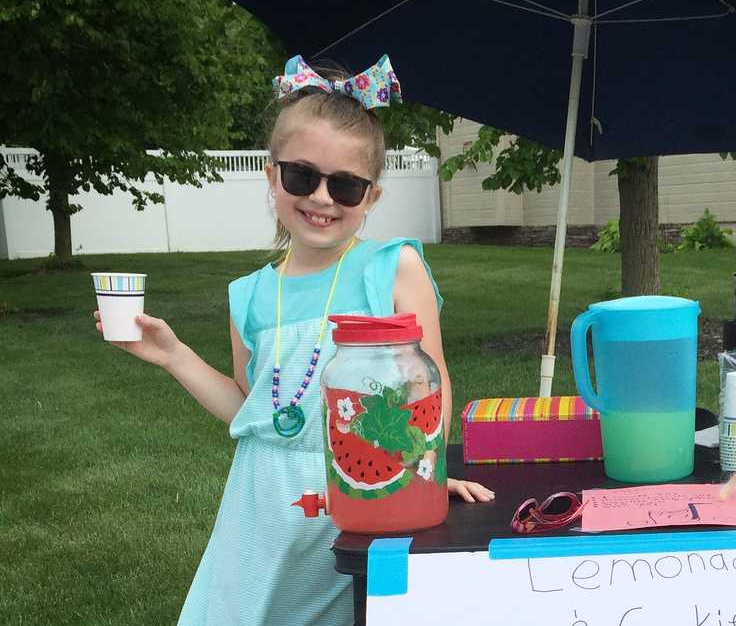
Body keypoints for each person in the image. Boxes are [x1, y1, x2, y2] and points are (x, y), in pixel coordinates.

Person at [95, 55, 494, 625]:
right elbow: (250, 406)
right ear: (271, 173)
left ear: (372, 198)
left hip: (365, 497)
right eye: (302, 176)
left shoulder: (393, 267)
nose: (322, 199)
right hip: (261, 506)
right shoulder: (250, 294)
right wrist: (173, 356)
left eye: (347, 185)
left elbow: (431, 387)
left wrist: (421, 477)